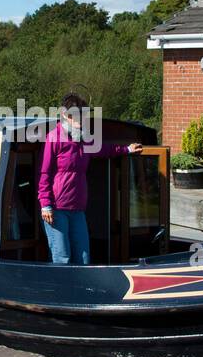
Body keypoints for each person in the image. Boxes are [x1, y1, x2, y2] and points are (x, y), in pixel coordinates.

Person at [38, 93, 141, 264]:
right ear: (65, 115)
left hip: (77, 208)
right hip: (56, 209)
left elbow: (104, 149)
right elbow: (44, 173)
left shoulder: (84, 138)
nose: (81, 120)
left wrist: (127, 150)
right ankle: (62, 290)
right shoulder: (53, 138)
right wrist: (45, 205)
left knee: (84, 257)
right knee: (62, 257)